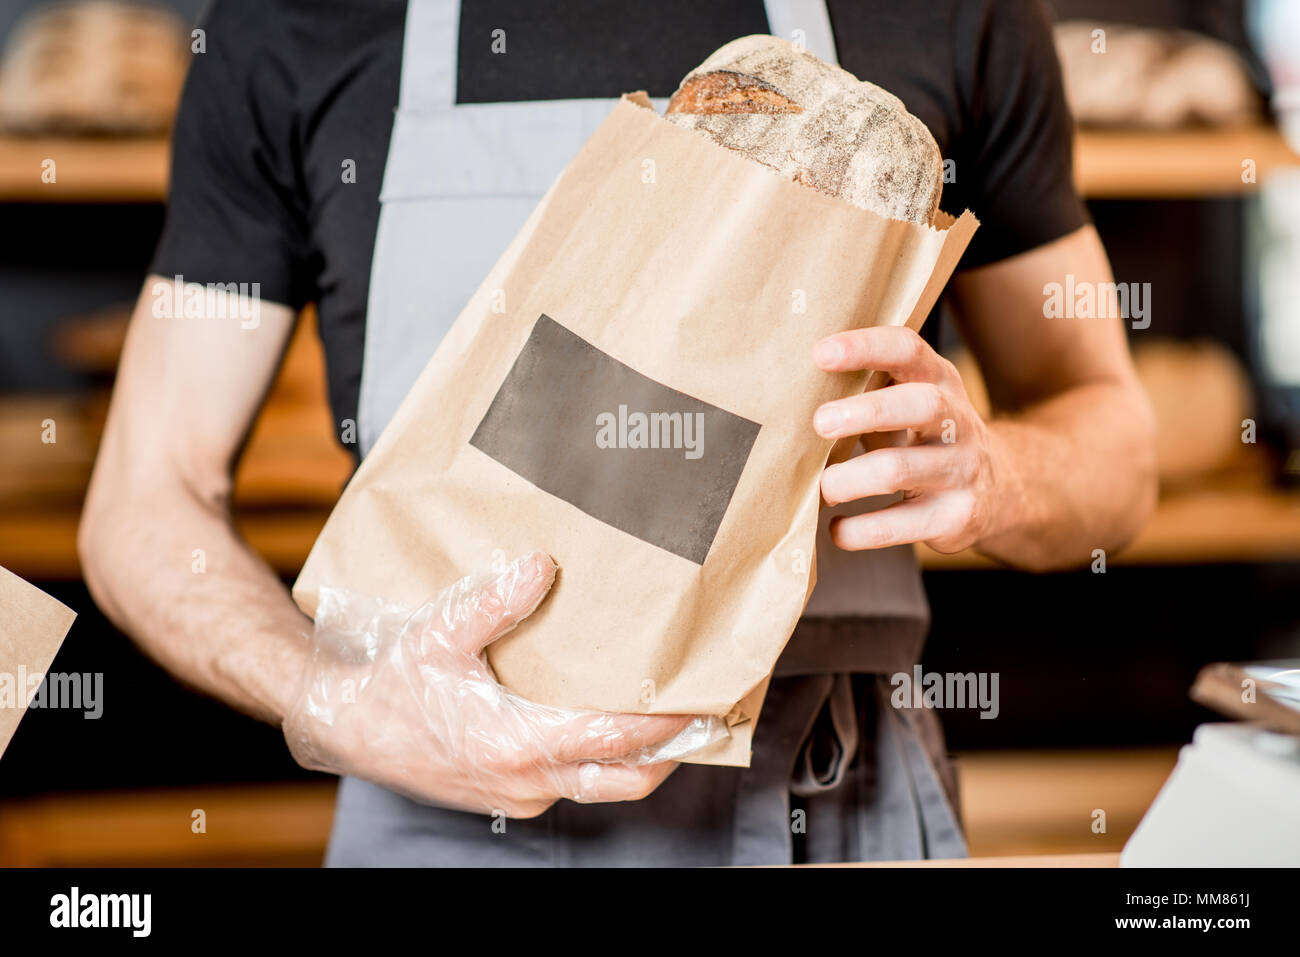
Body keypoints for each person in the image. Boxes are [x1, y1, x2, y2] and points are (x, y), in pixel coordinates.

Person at [79, 0, 1157, 866]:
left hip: (825, 796)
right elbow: (144, 498)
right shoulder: (295, 25)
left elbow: (1117, 451)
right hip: (432, 804)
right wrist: (331, 699)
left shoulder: (950, 17)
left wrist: (999, 473)